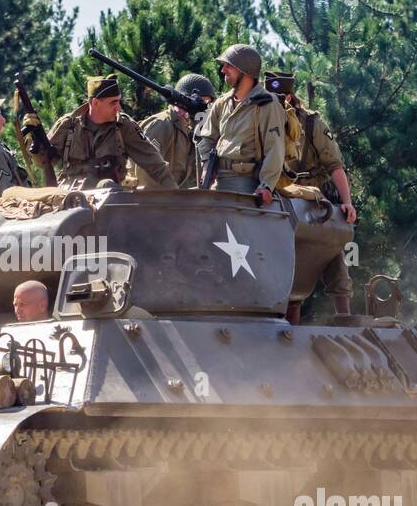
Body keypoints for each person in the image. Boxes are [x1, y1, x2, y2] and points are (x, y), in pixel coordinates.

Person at [273, 73, 358, 319]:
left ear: (288, 97)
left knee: (332, 251)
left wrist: (347, 202)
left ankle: (344, 318)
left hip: (313, 200)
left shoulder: (311, 124)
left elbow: (335, 165)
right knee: (288, 265)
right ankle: (288, 328)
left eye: (279, 98)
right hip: (280, 197)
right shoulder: (264, 120)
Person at [46, 75, 177, 188]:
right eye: (113, 103)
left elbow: (155, 165)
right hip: (72, 197)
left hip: (110, 200)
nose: (119, 107)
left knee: (106, 185)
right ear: (95, 103)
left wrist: (178, 199)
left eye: (119, 101)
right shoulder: (69, 125)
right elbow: (43, 161)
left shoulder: (123, 127)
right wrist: (35, 141)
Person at [194, 44, 286, 199]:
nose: (223, 70)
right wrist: (206, 167)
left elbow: (274, 149)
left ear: (245, 70)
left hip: (246, 182)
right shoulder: (222, 102)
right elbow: (208, 138)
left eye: (228, 65)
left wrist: (266, 186)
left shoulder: (267, 104)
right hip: (218, 179)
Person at [131, 73, 216, 187]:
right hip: (152, 200)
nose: (205, 108)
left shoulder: (191, 128)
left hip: (174, 198)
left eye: (208, 103)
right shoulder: (161, 125)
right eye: (203, 102)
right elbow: (146, 173)